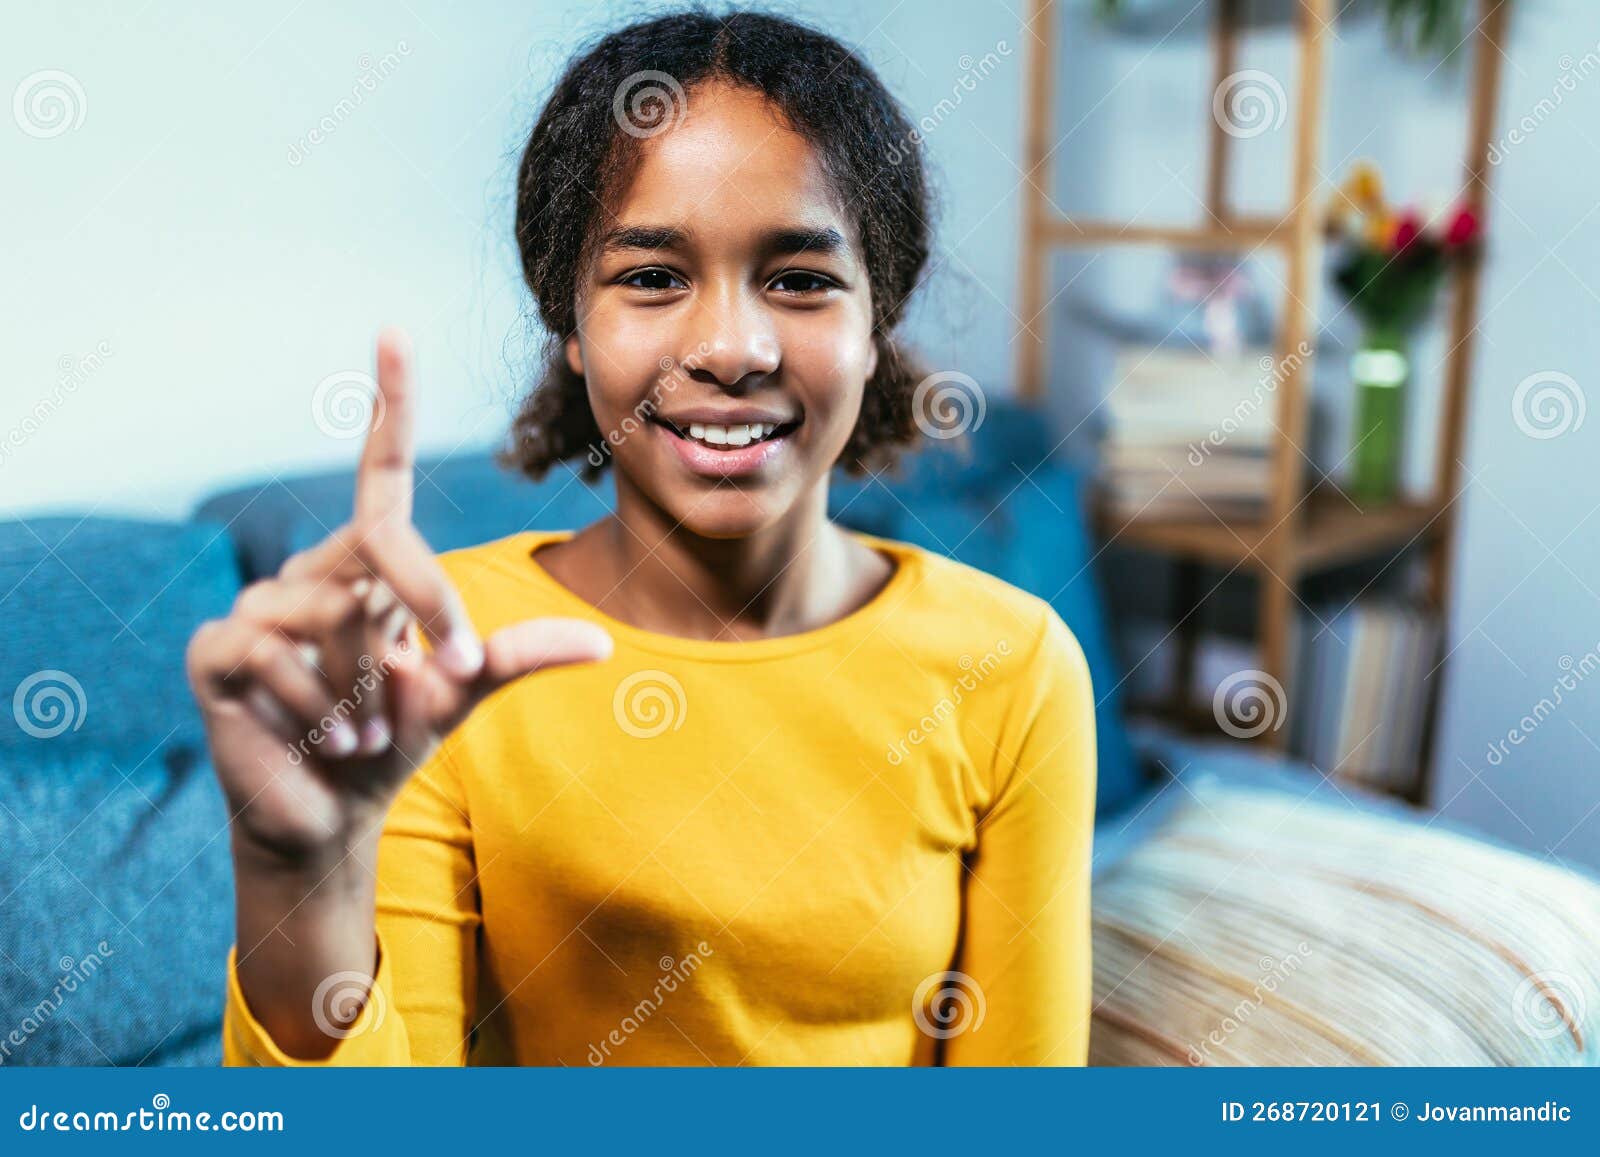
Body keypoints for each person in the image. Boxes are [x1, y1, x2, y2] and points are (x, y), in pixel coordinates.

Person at [186, 8, 1097, 1067]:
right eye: (653, 277)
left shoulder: (1016, 667)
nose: (730, 347)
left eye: (800, 278)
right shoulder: (436, 656)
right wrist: (299, 876)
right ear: (569, 326)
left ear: (876, 321)